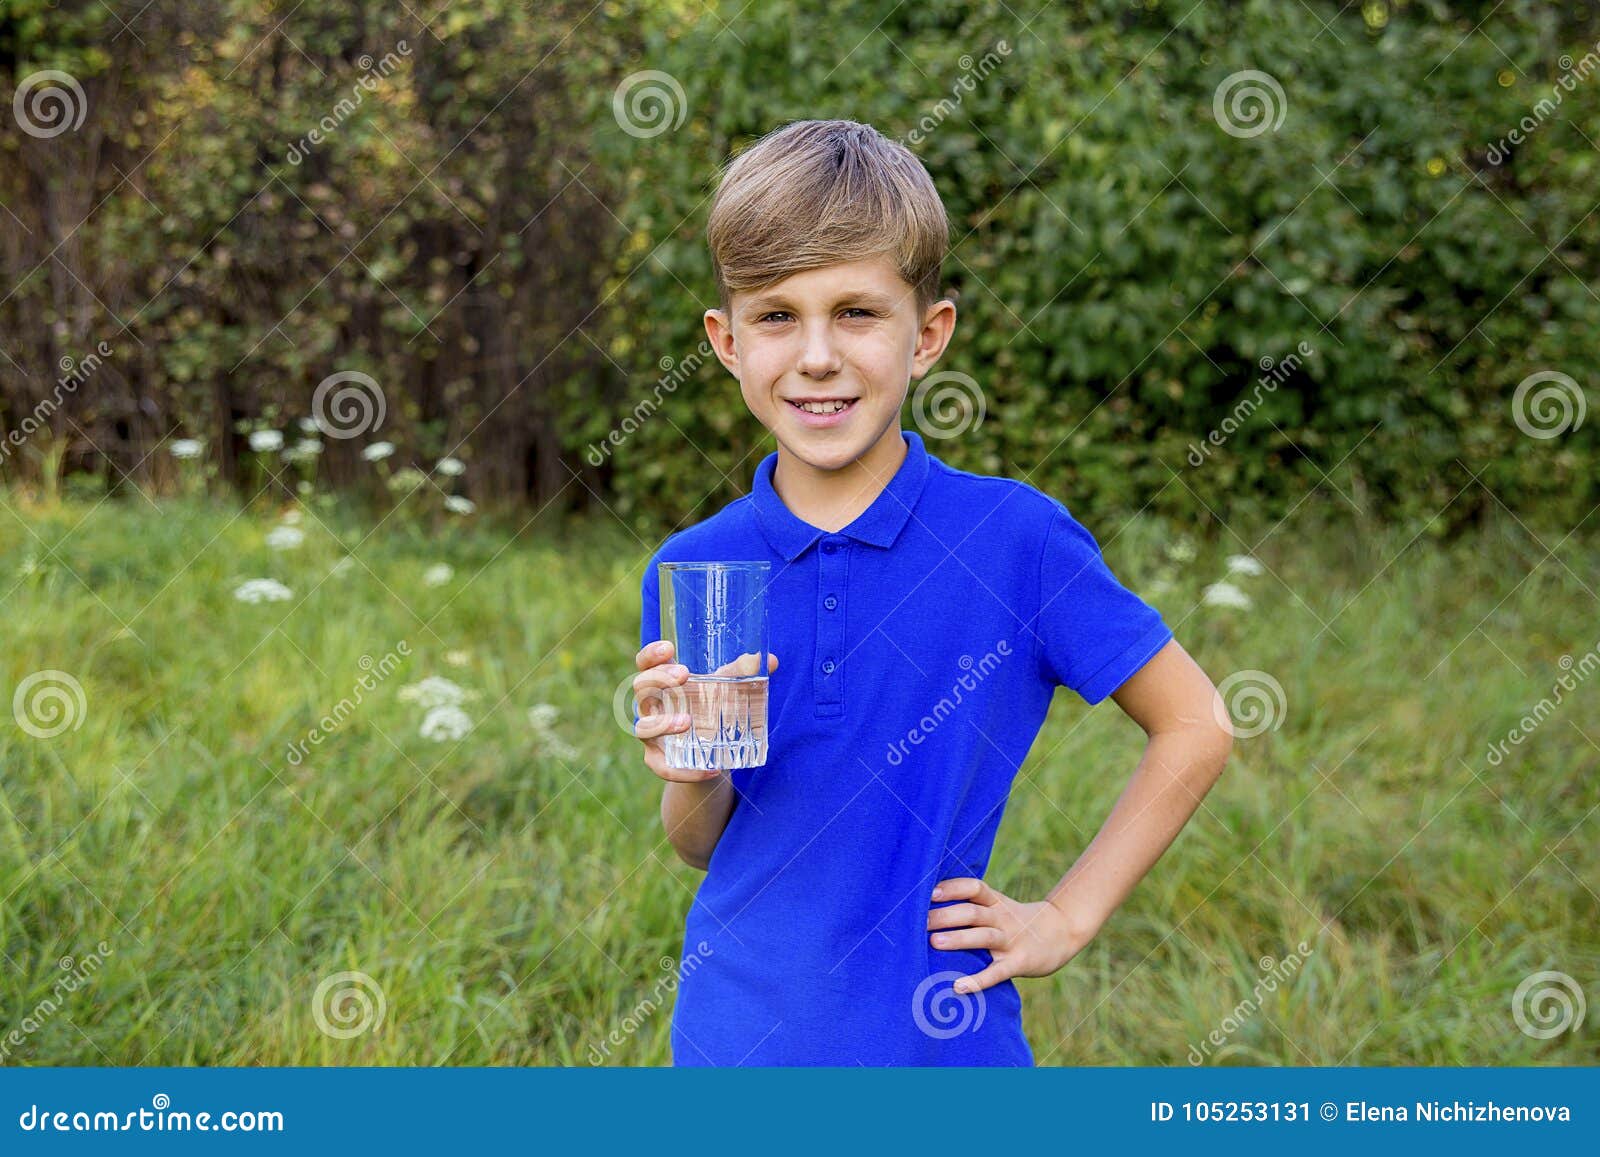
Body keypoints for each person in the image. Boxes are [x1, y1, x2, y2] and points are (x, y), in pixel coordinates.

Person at [631, 119, 1231, 1065]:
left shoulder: (1016, 541)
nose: (817, 355)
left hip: (942, 1049)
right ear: (727, 341)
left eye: (858, 313)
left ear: (929, 334)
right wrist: (692, 775)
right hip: (733, 1044)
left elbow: (1197, 723)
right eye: (777, 316)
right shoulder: (696, 567)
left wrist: (1066, 918)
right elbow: (705, 845)